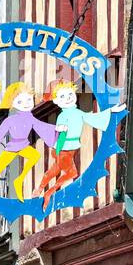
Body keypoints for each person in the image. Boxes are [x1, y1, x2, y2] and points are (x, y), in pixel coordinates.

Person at [0, 82, 58, 208]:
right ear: (13, 103)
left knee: (35, 155)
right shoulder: (10, 120)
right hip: (11, 149)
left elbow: (42, 127)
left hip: (23, 146)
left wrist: (56, 130)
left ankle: (19, 179)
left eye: (29, 99)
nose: (26, 103)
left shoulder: (30, 118)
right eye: (20, 102)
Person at [36, 82, 122, 210]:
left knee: (56, 171)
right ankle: (48, 192)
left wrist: (111, 110)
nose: (68, 98)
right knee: (70, 173)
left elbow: (93, 118)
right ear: (57, 101)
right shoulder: (62, 116)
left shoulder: (77, 113)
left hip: (69, 149)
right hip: (64, 149)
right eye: (63, 97)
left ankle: (41, 190)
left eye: (70, 94)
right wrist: (58, 149)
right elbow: (60, 135)